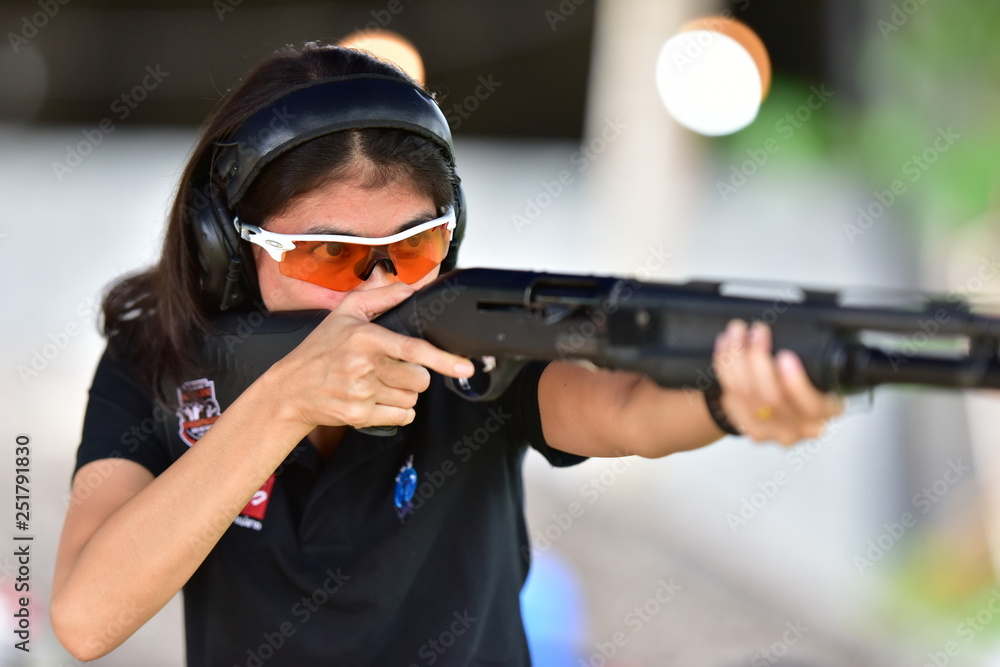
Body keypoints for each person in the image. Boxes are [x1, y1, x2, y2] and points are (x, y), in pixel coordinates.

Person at [50, 42, 843, 666]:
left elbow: (626, 409)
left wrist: (732, 397)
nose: (379, 286)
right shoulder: (156, 354)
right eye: (329, 255)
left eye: (416, 245)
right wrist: (286, 401)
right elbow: (86, 616)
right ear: (230, 250)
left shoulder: (469, 342)